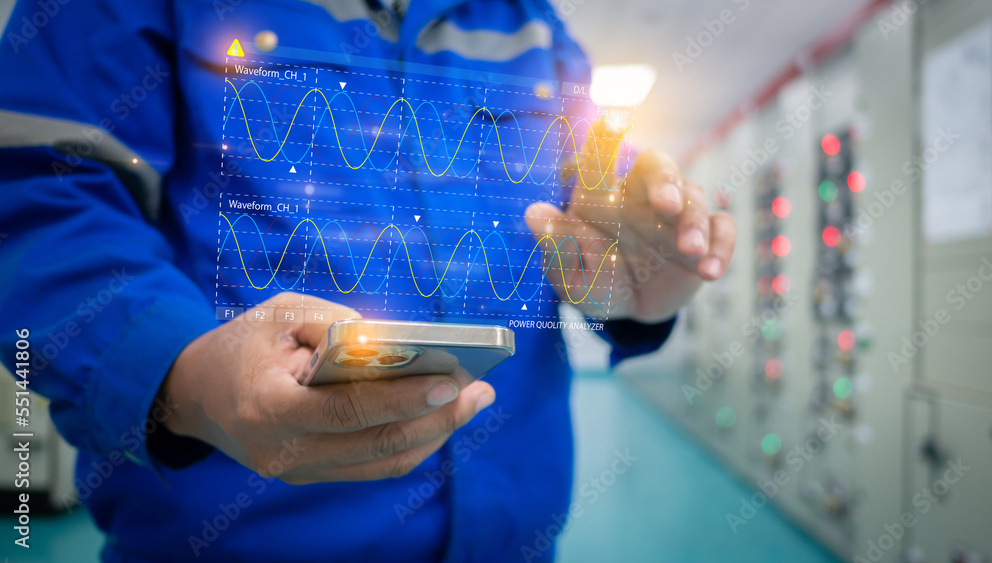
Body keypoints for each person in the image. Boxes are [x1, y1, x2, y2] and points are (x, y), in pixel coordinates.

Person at [0, 0, 735, 560]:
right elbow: (36, 200)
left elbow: (586, 212)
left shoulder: (532, 24)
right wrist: (185, 378)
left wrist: (632, 282)